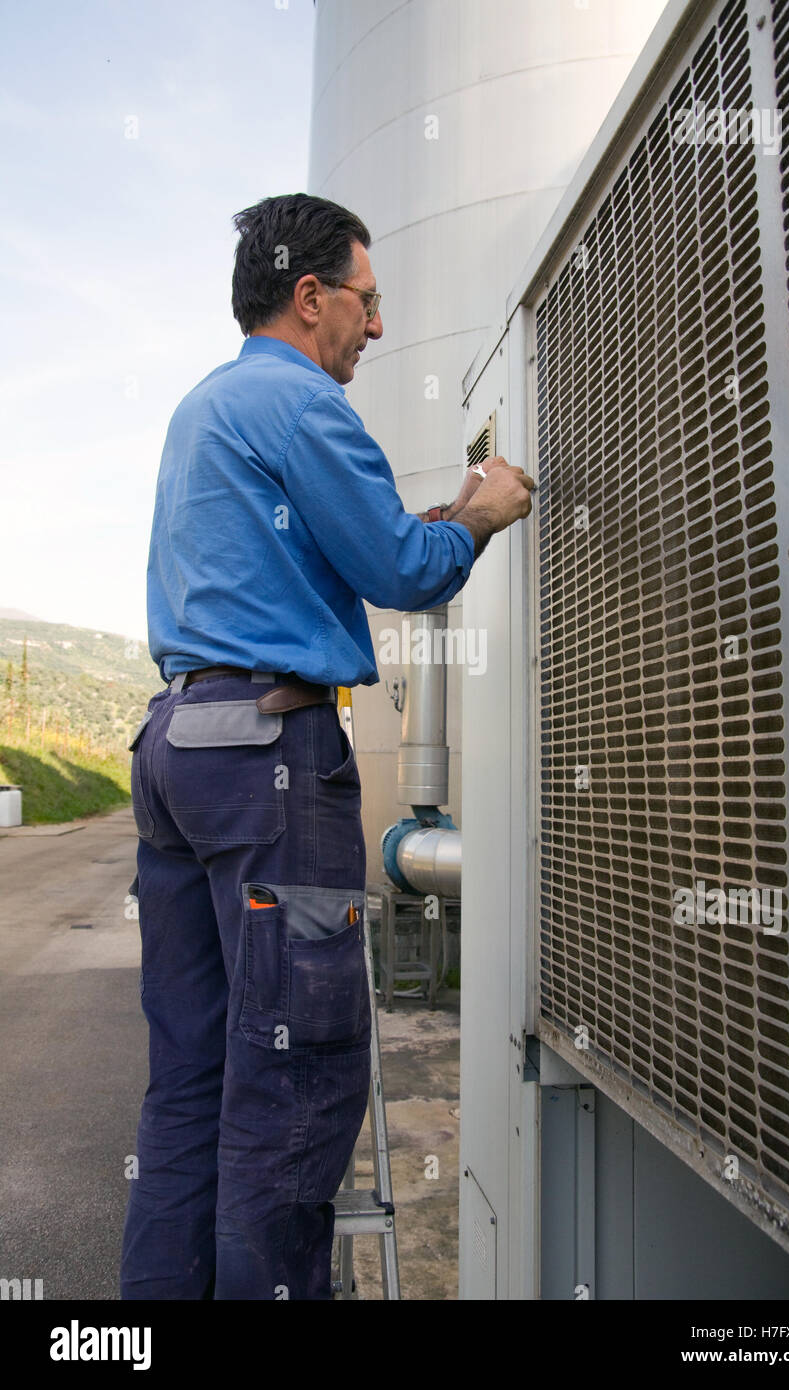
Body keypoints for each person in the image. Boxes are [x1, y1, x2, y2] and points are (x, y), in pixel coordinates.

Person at [120, 192, 534, 1300]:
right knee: (289, 1078)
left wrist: (434, 519)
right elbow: (401, 567)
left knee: (192, 1077)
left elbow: (340, 548)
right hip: (267, 755)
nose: (379, 325)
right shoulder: (301, 404)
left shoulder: (204, 407)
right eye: (367, 298)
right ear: (311, 299)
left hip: (176, 747)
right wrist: (484, 510)